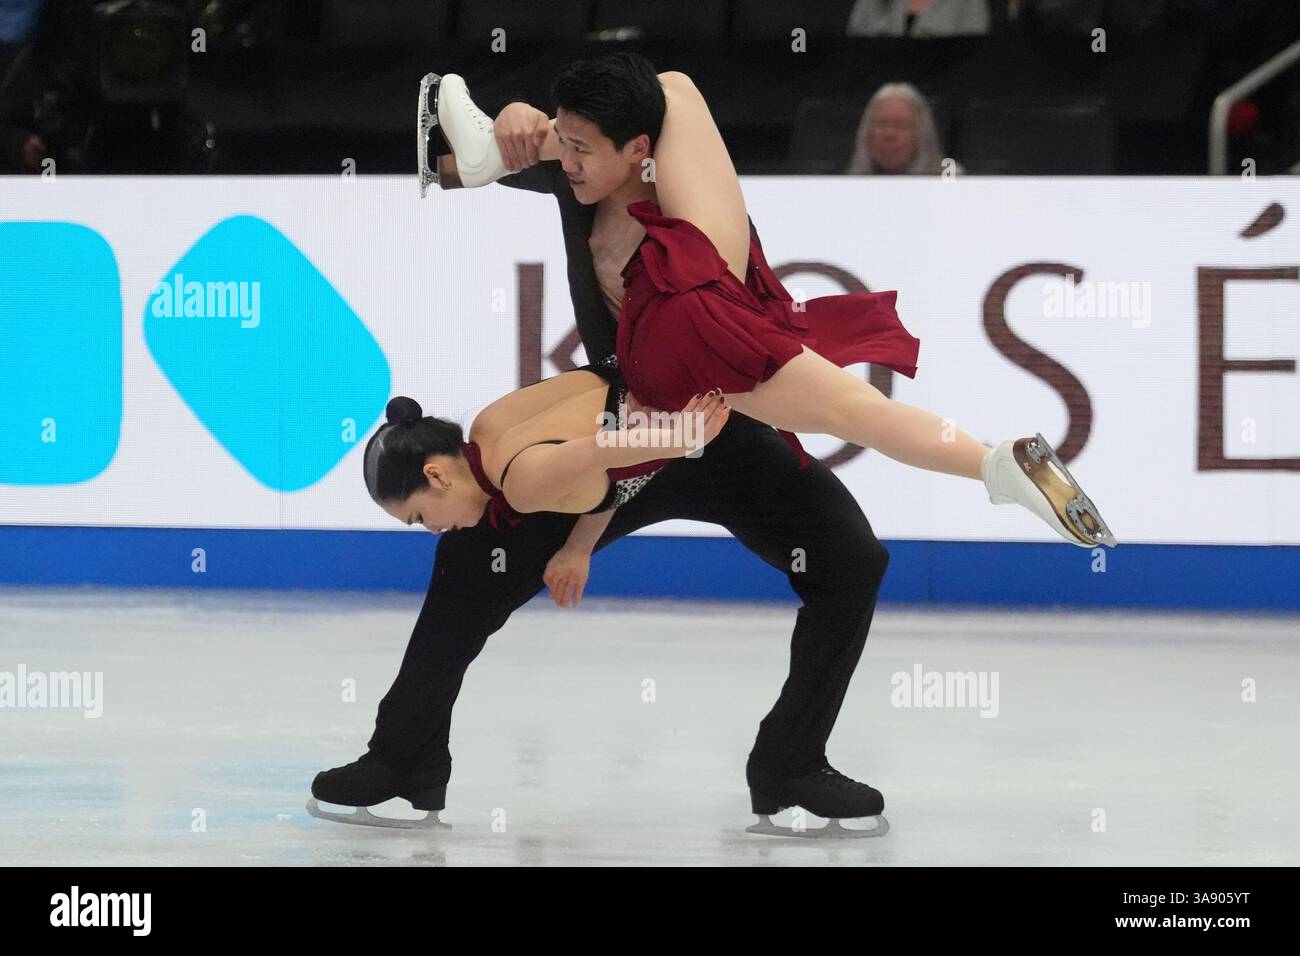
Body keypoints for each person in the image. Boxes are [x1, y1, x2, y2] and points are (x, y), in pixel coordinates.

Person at [422, 57, 1114, 551]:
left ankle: (995, 467)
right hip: (690, 314)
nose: (566, 161)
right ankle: (990, 464)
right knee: (676, 86)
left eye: (577, 147)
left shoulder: (630, 185)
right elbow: (597, 450)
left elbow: (601, 441)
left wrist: (513, 132)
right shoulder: (623, 174)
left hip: (677, 351)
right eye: (561, 145)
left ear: (637, 150)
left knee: (862, 413)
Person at [844, 82, 956, 176]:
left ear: (921, 135)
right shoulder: (842, 187)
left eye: (901, 126)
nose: (889, 134)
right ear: (866, 134)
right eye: (882, 124)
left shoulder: (955, 183)